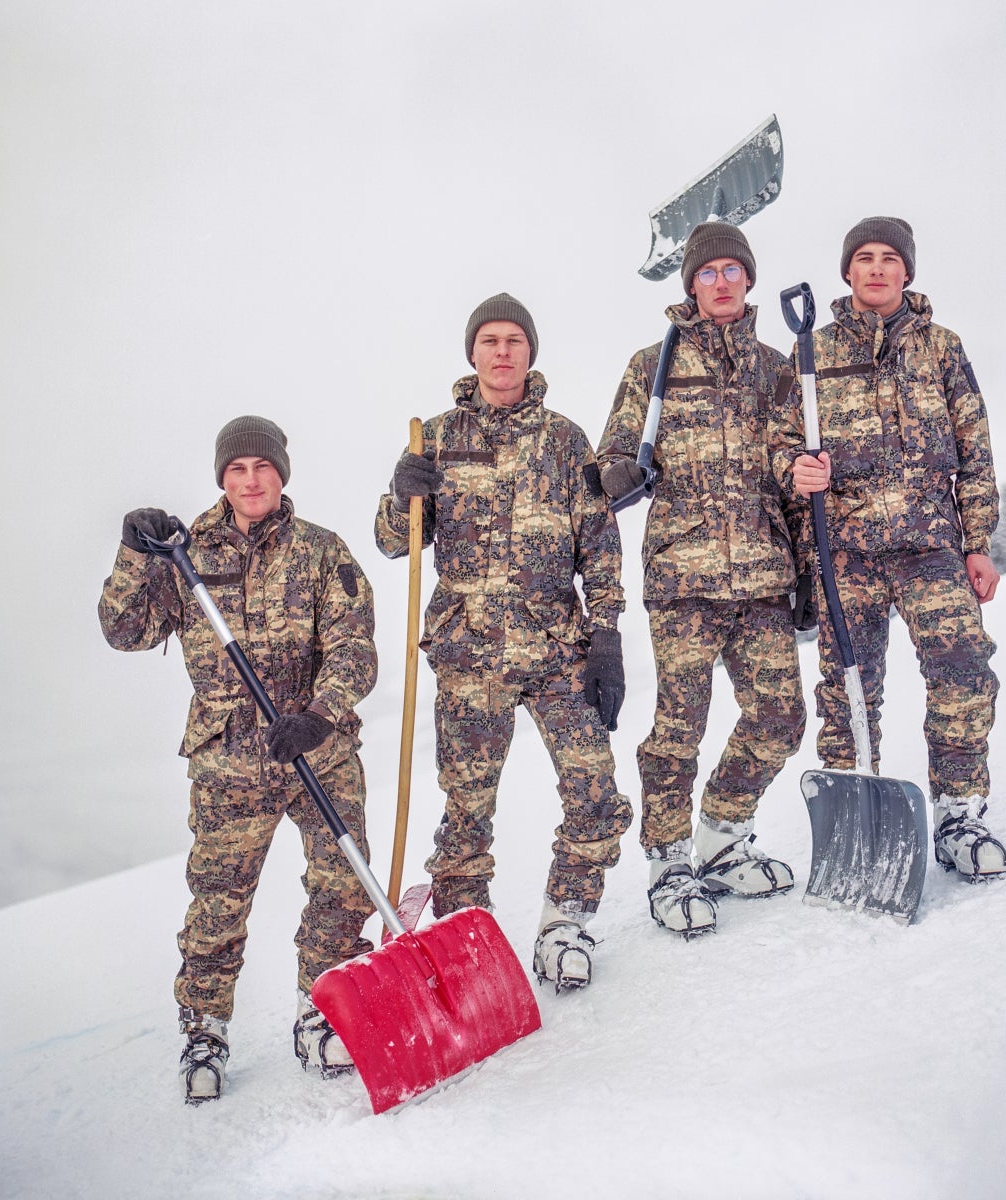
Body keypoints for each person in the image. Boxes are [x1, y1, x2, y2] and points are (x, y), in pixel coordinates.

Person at [98, 415, 379, 1103]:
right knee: (218, 904)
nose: (251, 481)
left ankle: (324, 1009)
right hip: (228, 761)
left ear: (282, 473)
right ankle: (205, 1030)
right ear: (223, 478)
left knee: (344, 887)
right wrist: (135, 554)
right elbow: (123, 632)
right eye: (237, 470)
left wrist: (319, 715)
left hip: (319, 753)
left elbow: (355, 648)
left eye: (263, 467)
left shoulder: (322, 552)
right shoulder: (184, 557)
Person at [374, 293, 631, 992]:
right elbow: (394, 543)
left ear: (529, 351)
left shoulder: (566, 439)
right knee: (467, 816)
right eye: (489, 339)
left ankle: (564, 923)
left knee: (597, 795)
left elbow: (599, 546)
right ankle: (468, 949)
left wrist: (605, 635)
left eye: (514, 339)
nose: (502, 351)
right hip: (469, 655)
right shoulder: (433, 437)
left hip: (556, 649)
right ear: (473, 353)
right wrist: (403, 496)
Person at [769, 216, 1006, 879]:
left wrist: (978, 542)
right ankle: (859, 822)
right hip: (844, 550)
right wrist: (797, 466)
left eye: (889, 258)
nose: (876, 268)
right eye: (864, 258)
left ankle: (959, 815)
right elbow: (779, 439)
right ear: (848, 273)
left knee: (964, 670)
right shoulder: (812, 352)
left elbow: (976, 452)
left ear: (907, 272)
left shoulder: (942, 348)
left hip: (930, 544)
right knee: (848, 690)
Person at [597, 222, 807, 939]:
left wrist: (800, 485)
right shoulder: (651, 365)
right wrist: (617, 470)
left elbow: (787, 465)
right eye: (708, 271)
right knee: (677, 731)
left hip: (761, 575)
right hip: (684, 576)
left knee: (780, 717)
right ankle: (669, 861)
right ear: (690, 284)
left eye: (732, 270)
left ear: (747, 280)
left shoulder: (777, 369)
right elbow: (615, 452)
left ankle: (722, 832)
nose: (721, 281)